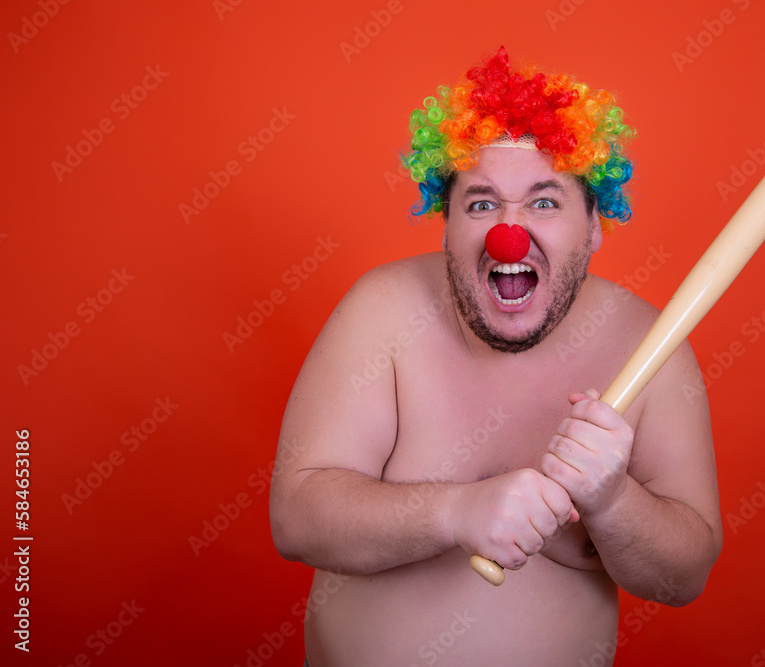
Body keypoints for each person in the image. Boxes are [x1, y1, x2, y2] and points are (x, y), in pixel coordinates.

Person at [269, 46, 722, 666]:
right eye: (481, 202)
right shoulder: (382, 308)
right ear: (447, 222)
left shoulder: (653, 342)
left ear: (593, 225)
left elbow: (685, 577)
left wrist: (612, 501)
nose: (509, 230)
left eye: (545, 201)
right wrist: (457, 510)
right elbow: (296, 519)